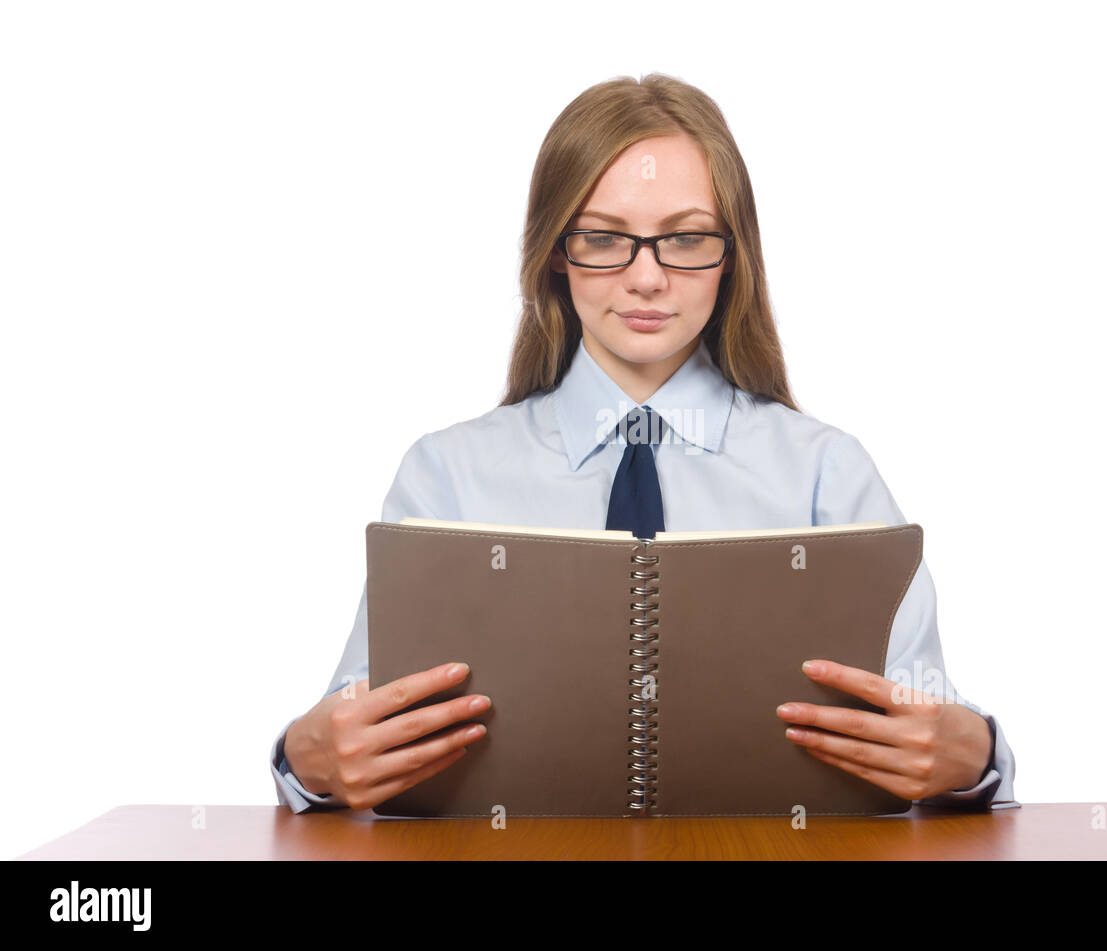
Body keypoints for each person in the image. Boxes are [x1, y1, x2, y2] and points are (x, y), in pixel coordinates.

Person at [271, 73, 1017, 815]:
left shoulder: (829, 474)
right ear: (556, 252)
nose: (648, 277)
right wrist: (306, 761)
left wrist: (974, 756)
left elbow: (920, 739)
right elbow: (353, 734)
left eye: (686, 238)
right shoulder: (446, 478)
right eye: (603, 238)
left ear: (732, 255)